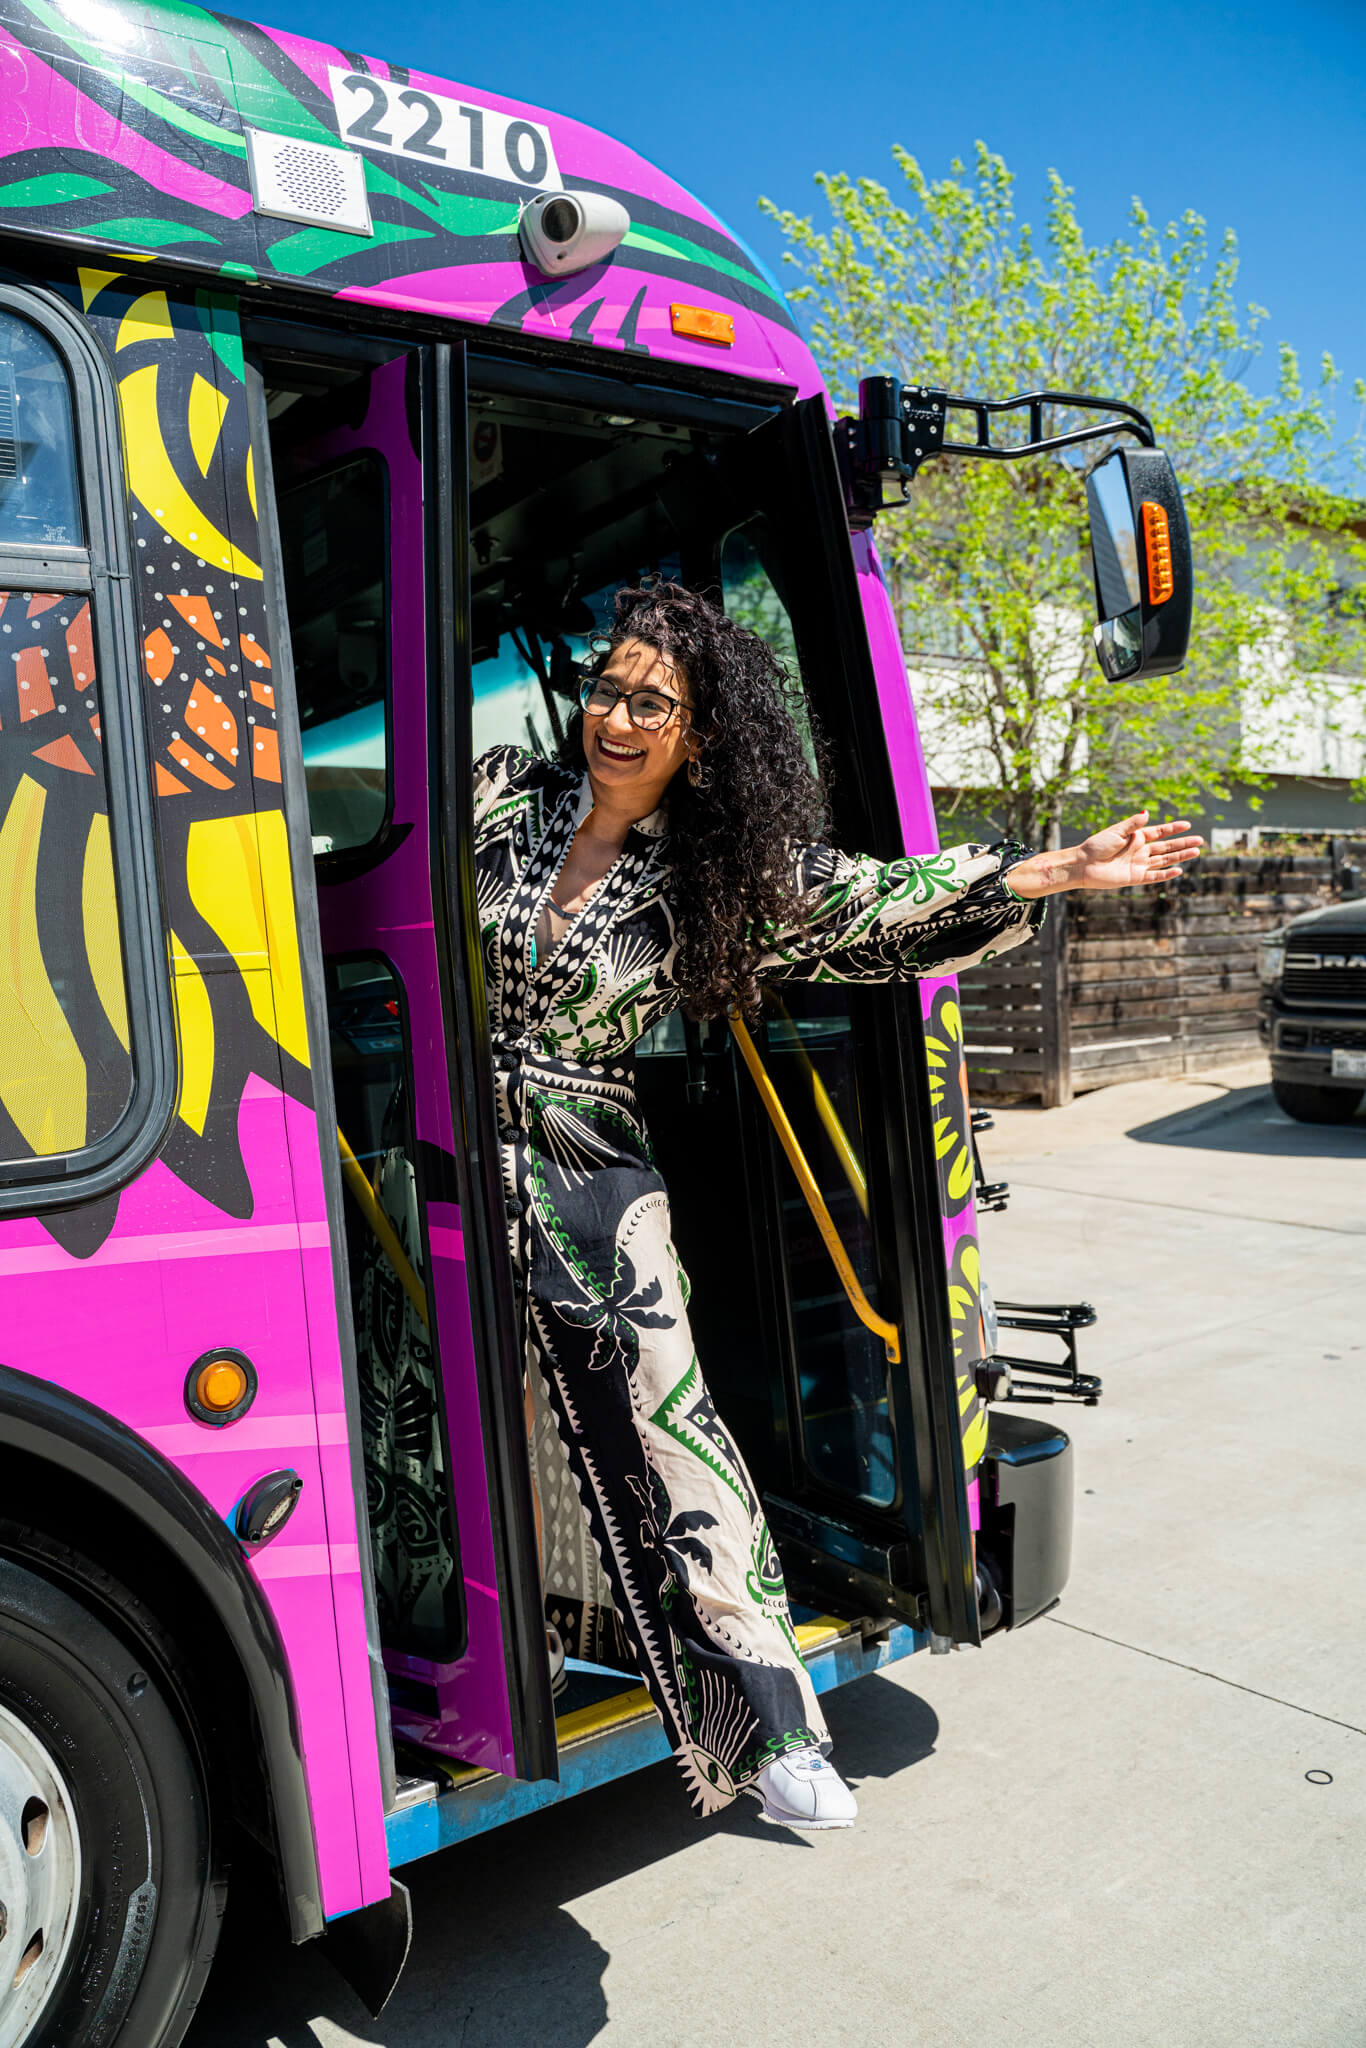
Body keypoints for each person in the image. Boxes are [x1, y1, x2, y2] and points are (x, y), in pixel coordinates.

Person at [475, 582, 1201, 1830]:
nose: (619, 716)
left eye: (656, 701)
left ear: (698, 735)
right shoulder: (497, 794)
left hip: (591, 1157)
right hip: (441, 1143)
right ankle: (510, 1648)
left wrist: (1046, 871)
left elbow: (878, 903)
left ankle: (766, 1722)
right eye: (609, 687)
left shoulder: (716, 875)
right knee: (446, 1412)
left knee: (669, 1418)